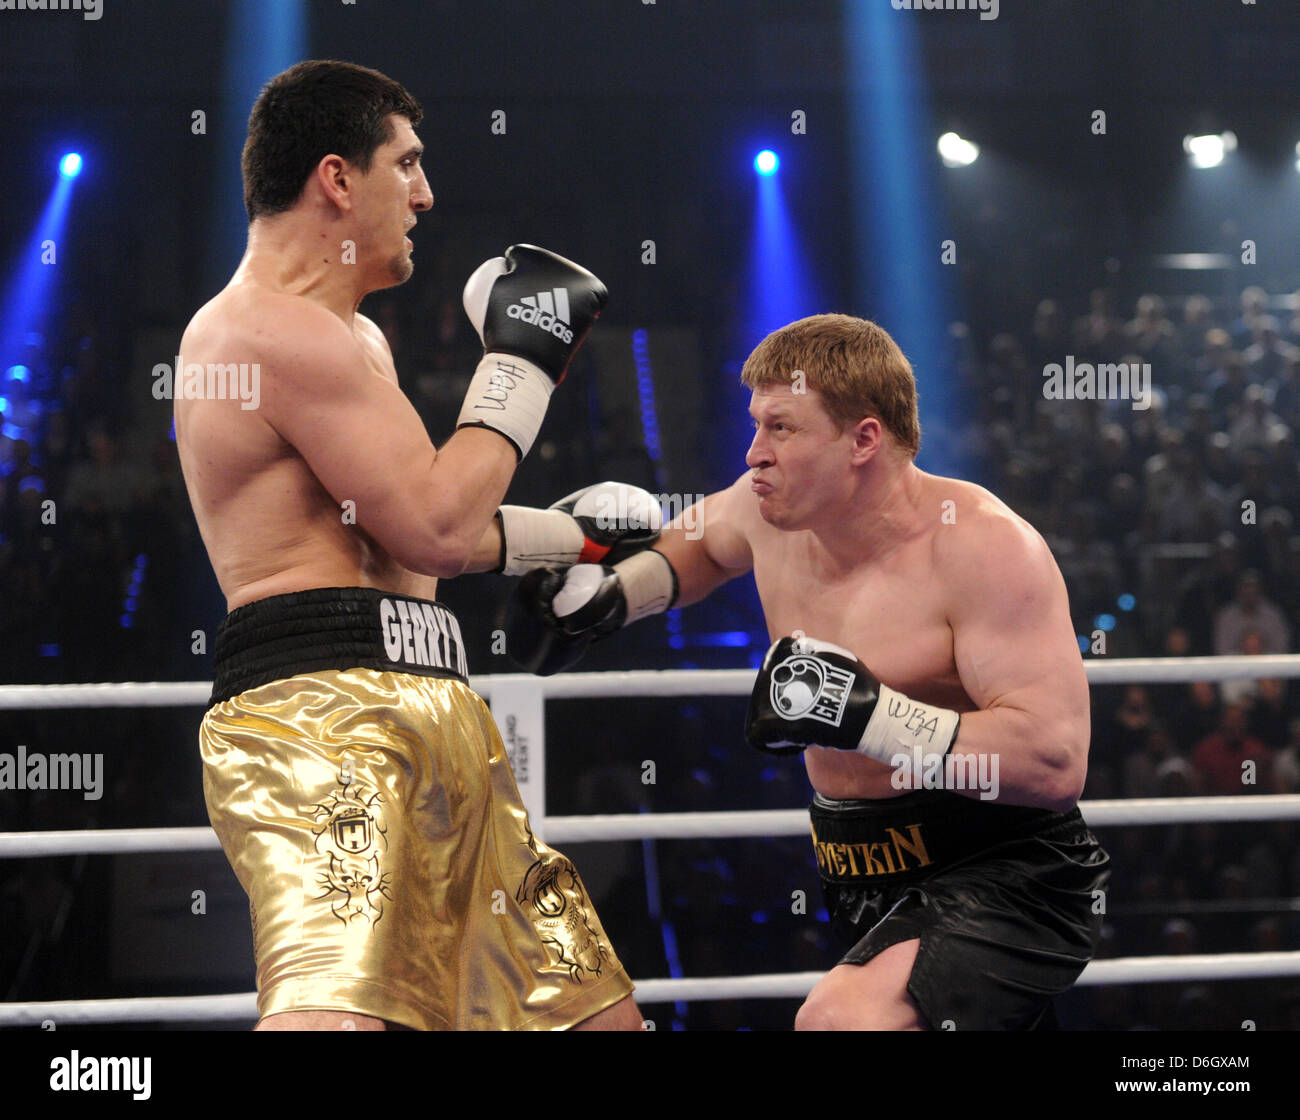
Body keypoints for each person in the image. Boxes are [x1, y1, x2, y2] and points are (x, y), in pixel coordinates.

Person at [174, 60, 653, 1031]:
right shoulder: (258, 333)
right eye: (408, 163)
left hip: (438, 706)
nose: (426, 195)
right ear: (337, 180)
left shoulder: (355, 340)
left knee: (589, 1016)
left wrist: (571, 541)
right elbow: (434, 520)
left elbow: (415, 538)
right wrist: (521, 363)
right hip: (316, 719)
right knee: (334, 1014)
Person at [509, 312, 1111, 1030]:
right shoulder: (767, 512)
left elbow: (1054, 760)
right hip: (858, 865)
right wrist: (607, 600)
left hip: (1004, 870)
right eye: (756, 425)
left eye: (782, 428)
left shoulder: (984, 547)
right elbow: (692, 551)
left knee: (840, 1021)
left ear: (864, 439)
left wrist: (873, 717)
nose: (754, 454)